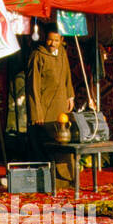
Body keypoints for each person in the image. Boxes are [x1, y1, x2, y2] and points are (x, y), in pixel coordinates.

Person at [26, 27, 75, 188]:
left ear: (61, 41)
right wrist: (36, 112)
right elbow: (32, 87)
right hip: (44, 108)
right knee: (46, 144)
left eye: (56, 40)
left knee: (63, 142)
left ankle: (66, 179)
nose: (52, 43)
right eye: (49, 39)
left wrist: (70, 95)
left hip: (61, 105)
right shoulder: (38, 56)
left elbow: (67, 74)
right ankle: (49, 181)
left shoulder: (62, 53)